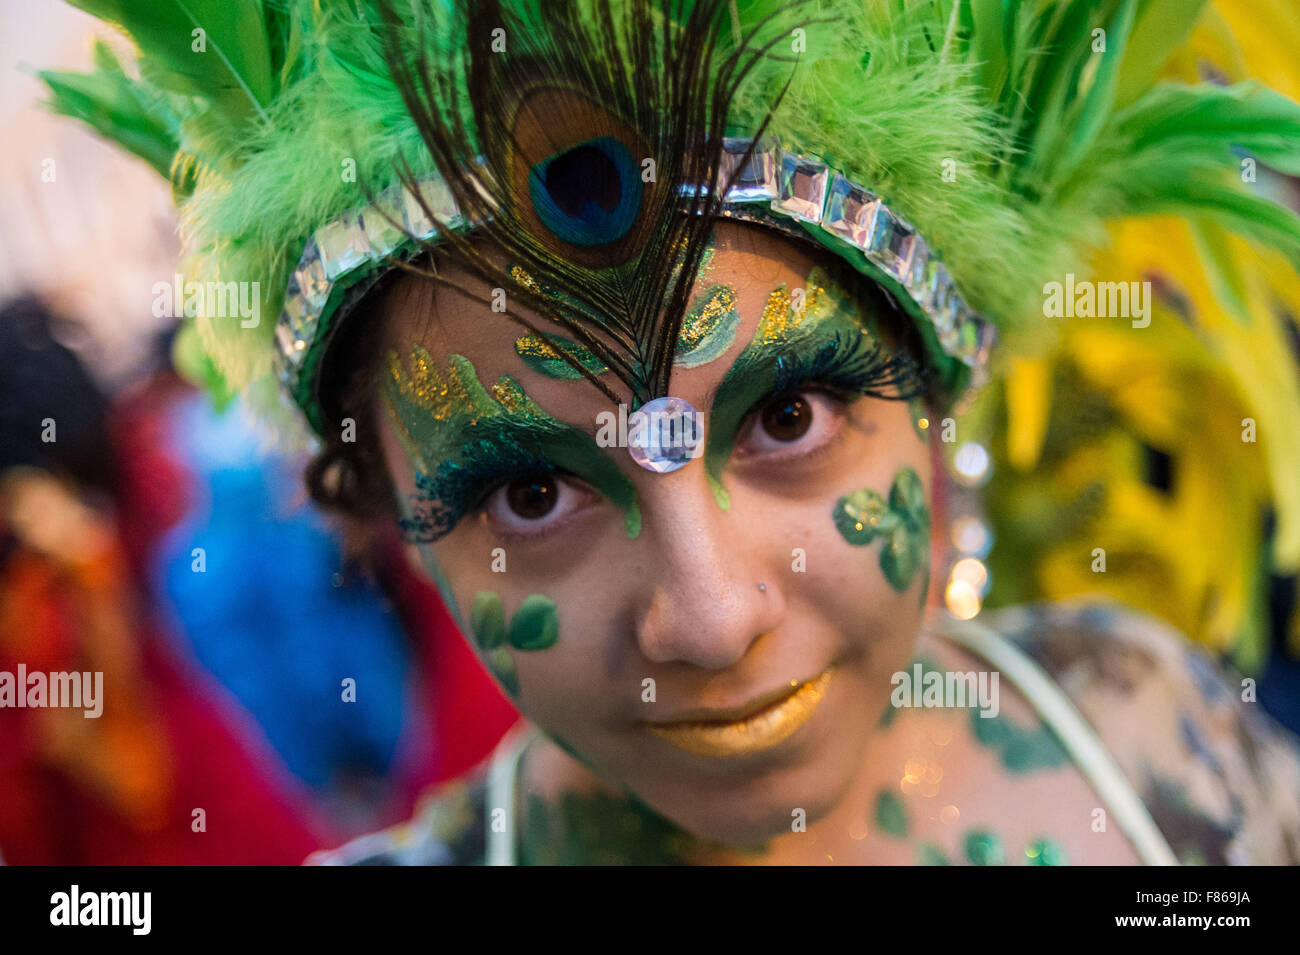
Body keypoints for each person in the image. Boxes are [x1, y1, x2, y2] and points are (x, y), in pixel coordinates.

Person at [46, 0, 1300, 865]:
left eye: (788, 417)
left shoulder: (1141, 723)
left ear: (929, 391)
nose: (707, 621)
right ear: (393, 514)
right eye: (530, 492)